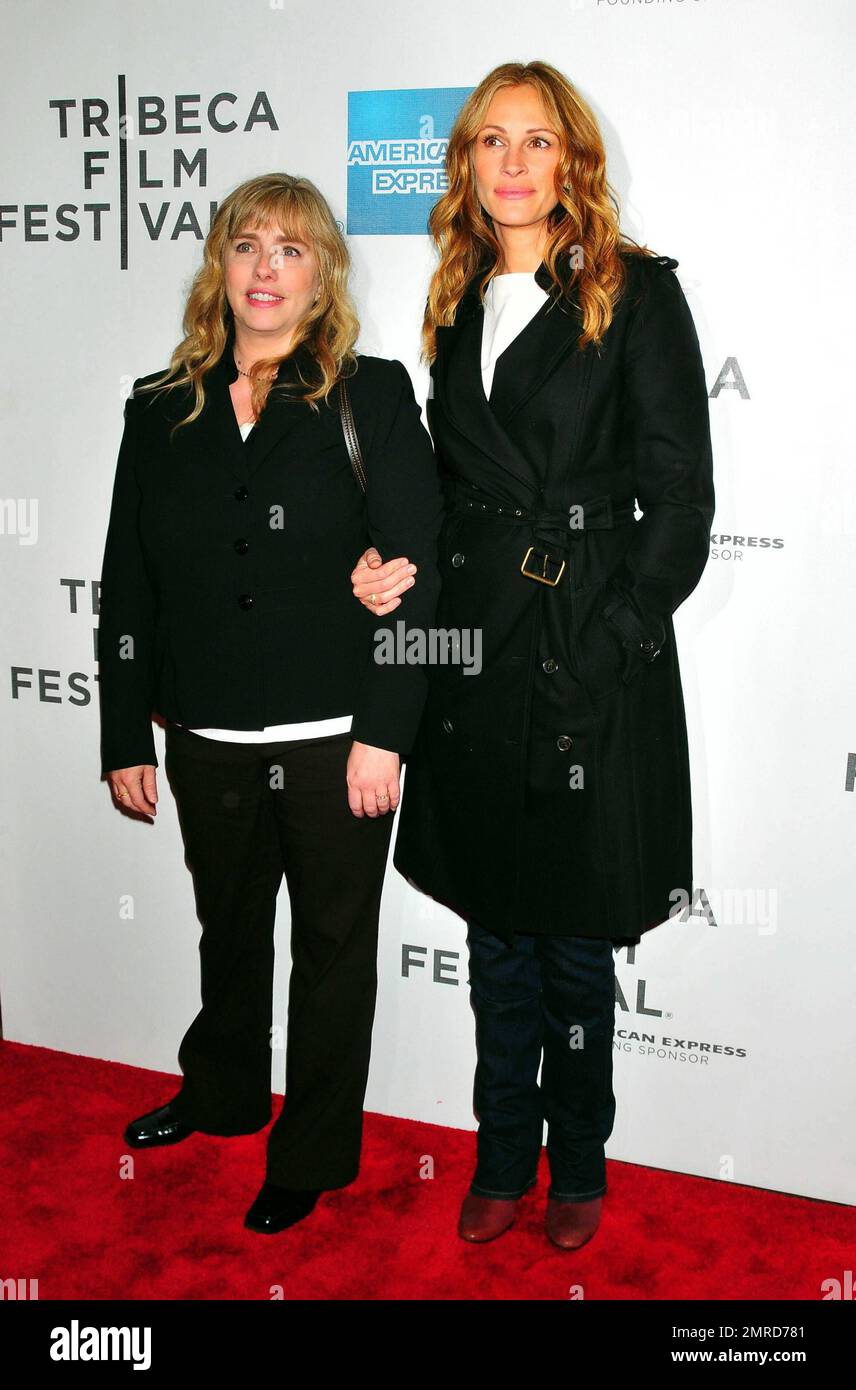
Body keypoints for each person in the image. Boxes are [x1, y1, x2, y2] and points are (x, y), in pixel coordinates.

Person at [349, 61, 715, 1249]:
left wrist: (612, 639)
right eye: (490, 141)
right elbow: (447, 495)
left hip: (581, 653)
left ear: (572, 163)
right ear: (463, 165)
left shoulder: (633, 293)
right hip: (475, 657)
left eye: (537, 141)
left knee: (568, 940)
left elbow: (680, 497)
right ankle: (500, 1149)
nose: (512, 163)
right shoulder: (454, 303)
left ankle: (580, 1165)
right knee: (495, 936)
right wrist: (384, 570)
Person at [98, 172, 444, 1234]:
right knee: (227, 928)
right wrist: (124, 728)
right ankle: (225, 1091)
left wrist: (386, 732)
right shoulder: (160, 407)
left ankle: (313, 1149)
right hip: (203, 733)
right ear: (220, 264)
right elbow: (129, 581)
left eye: (289, 250)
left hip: (334, 735)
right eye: (246, 245)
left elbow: (417, 567)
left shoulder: (369, 394)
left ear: (321, 274)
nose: (263, 268)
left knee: (332, 951)